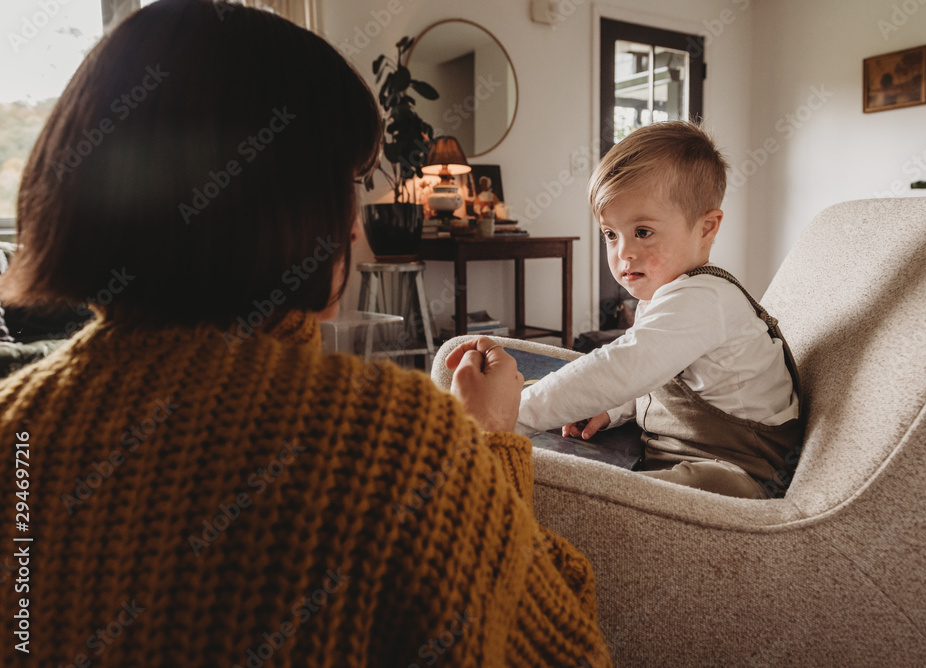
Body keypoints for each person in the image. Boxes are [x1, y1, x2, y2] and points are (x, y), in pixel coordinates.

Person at [0, 1, 610, 665]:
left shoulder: (15, 427)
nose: (354, 226)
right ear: (278, 202)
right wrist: (488, 442)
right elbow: (564, 652)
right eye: (347, 183)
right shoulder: (391, 439)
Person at [518, 122, 803, 499]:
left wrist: (514, 413)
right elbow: (650, 379)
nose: (623, 252)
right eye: (611, 234)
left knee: (595, 495)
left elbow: (622, 368)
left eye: (643, 232)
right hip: (673, 453)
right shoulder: (665, 296)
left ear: (706, 228)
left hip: (741, 470)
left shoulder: (704, 299)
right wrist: (612, 409)